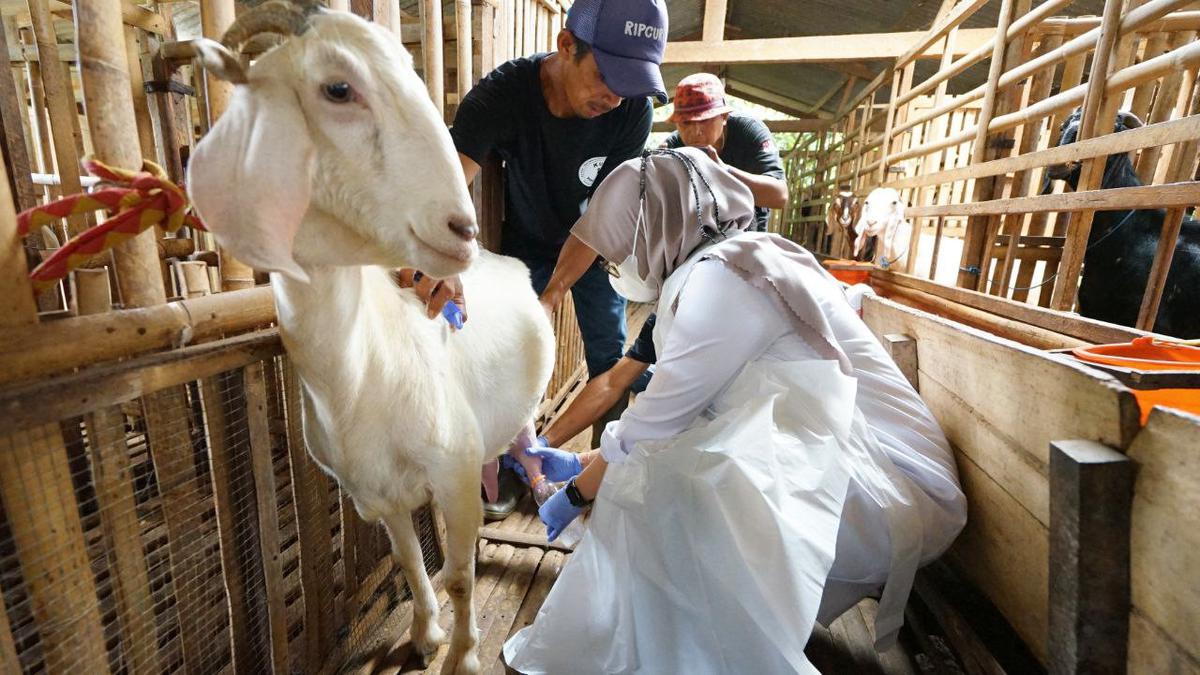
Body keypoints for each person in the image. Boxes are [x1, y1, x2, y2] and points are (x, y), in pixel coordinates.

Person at [502, 147, 967, 674]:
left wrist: (575, 494)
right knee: (657, 465)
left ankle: (687, 651)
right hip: (868, 470)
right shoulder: (740, 258)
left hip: (893, 490)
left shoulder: (725, 280)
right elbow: (677, 414)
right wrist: (589, 464)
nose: (618, 270)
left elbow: (657, 422)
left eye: (619, 253)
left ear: (655, 228)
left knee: (660, 487)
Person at [407, 0, 669, 517]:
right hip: (524, 242)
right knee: (504, 355)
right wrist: (435, 256)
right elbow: (449, 186)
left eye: (630, 82)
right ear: (567, 46)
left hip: (593, 246)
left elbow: (602, 216)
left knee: (609, 352)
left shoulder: (633, 109)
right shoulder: (504, 94)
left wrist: (553, 295)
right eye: (606, 75)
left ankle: (600, 474)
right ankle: (504, 471)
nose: (615, 96)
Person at [534, 73, 789, 415]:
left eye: (703, 123)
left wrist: (718, 170)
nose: (694, 134)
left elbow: (779, 195)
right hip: (691, 271)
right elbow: (615, 216)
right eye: (685, 124)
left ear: (724, 116)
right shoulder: (672, 151)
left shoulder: (748, 132)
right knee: (636, 367)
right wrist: (553, 292)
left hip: (745, 262)